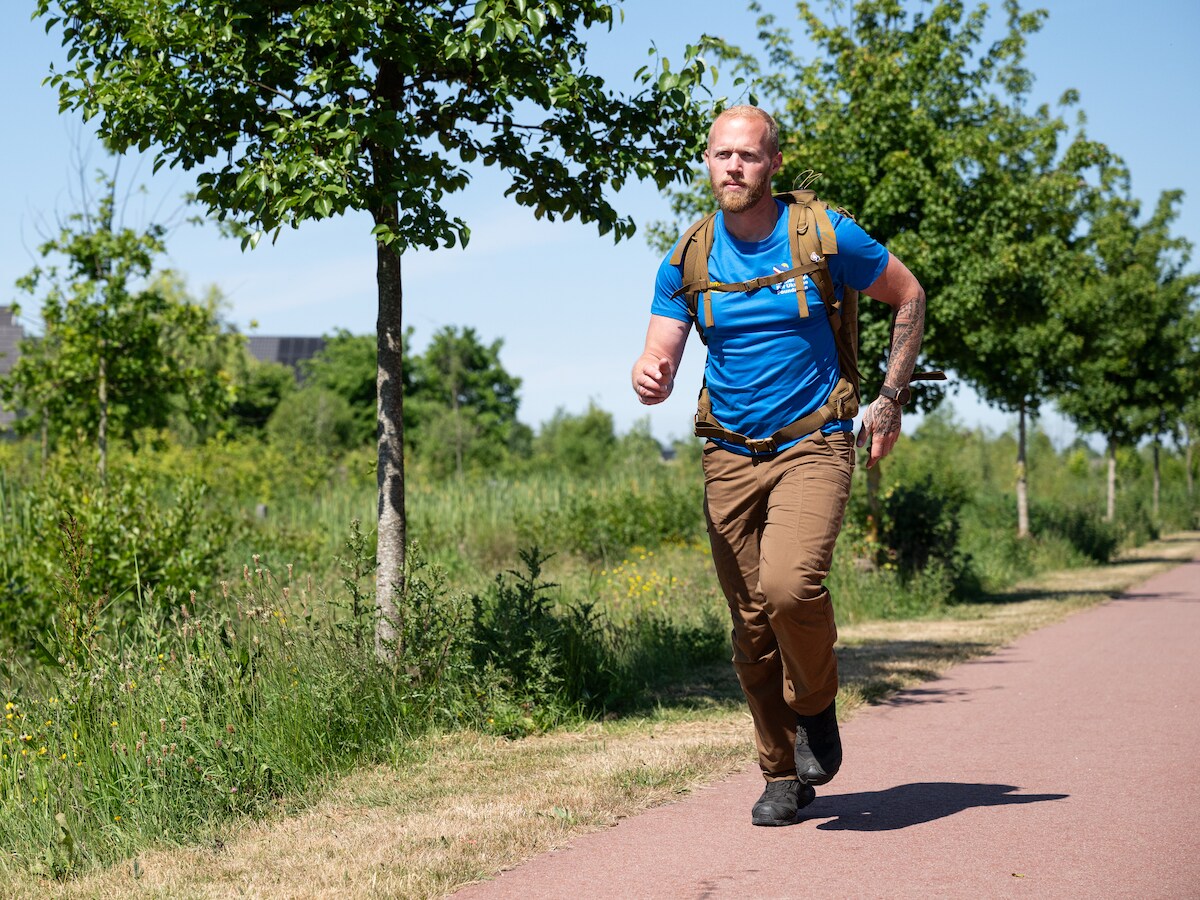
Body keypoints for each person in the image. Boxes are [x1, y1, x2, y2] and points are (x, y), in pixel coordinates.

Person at [631, 106, 926, 827]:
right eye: (721, 155)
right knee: (751, 627)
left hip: (814, 438)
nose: (734, 167)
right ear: (707, 162)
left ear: (774, 164)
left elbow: (909, 294)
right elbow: (663, 346)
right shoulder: (688, 257)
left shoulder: (823, 234)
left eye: (749, 156)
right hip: (727, 451)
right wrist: (651, 370)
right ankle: (781, 773)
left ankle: (816, 709)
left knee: (790, 588)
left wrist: (888, 399)